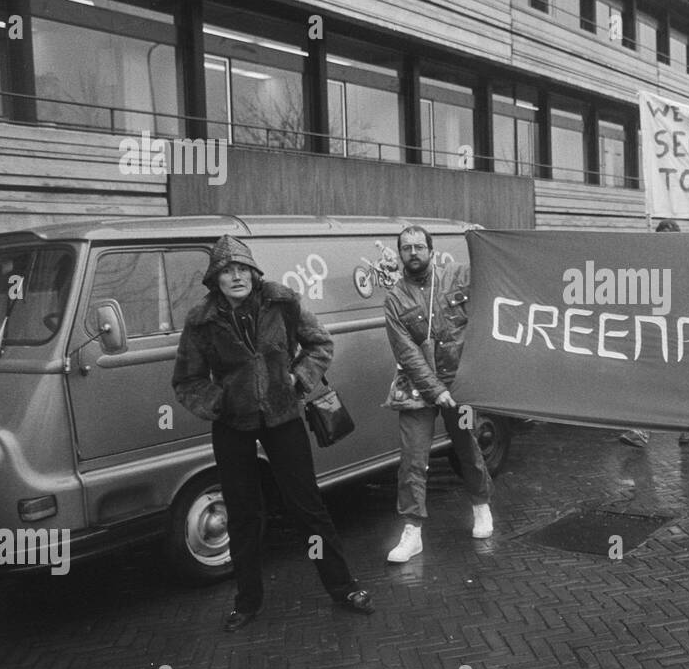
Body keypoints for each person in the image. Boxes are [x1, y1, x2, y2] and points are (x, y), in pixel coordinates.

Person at [173, 235, 374, 632]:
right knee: (243, 515)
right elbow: (186, 380)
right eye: (227, 271)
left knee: (308, 507)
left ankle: (344, 587)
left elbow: (320, 343)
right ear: (215, 280)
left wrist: (298, 379)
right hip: (233, 426)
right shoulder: (202, 322)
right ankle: (247, 602)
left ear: (253, 272)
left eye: (242, 269)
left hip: (283, 418)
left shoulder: (282, 303)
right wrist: (219, 401)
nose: (236, 277)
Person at [384, 225, 494, 562]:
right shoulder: (395, 298)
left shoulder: (458, 276)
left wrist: (481, 243)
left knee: (468, 446)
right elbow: (406, 352)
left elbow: (493, 278)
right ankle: (412, 531)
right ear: (400, 254)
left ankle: (481, 507)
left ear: (432, 251)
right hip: (418, 388)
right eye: (406, 248)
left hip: (460, 382)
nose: (413, 253)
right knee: (413, 459)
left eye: (419, 246)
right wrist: (436, 390)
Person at [619, 218, 689, 447]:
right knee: (649, 381)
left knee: (682, 384)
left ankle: (688, 429)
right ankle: (641, 431)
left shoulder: (688, 266)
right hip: (654, 333)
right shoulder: (648, 265)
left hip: (681, 334)